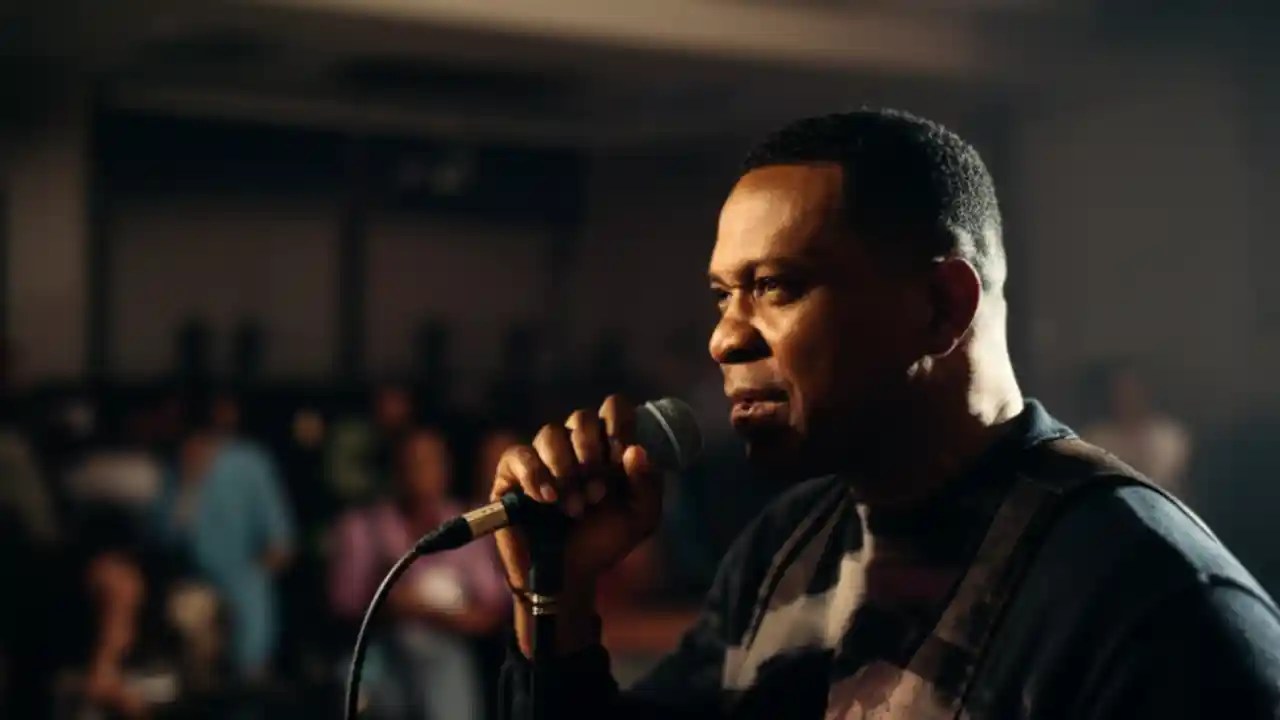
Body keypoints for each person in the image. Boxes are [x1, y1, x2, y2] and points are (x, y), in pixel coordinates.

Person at [488, 109, 1280, 719]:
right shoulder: (781, 549)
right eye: (723, 296)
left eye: (778, 287)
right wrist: (556, 592)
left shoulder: (1153, 604)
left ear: (941, 307)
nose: (725, 338)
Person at [330, 428, 509, 720]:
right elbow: (343, 605)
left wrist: (424, 611)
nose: (420, 473)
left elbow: (492, 610)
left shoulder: (467, 527)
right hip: (380, 657)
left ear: (446, 470)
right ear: (394, 470)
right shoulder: (360, 527)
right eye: (410, 463)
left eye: (430, 463)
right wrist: (389, 605)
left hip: (448, 659)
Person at [153, 393, 296, 683]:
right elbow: (162, 537)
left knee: (246, 667)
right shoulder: (176, 467)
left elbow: (280, 543)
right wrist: (189, 484)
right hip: (188, 594)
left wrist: (247, 583)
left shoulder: (250, 464)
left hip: (243, 594)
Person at [1082, 362, 1192, 499]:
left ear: (1147, 392)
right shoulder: (1096, 437)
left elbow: (1162, 480)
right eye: (1121, 391)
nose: (1128, 397)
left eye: (1133, 390)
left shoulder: (1169, 435)